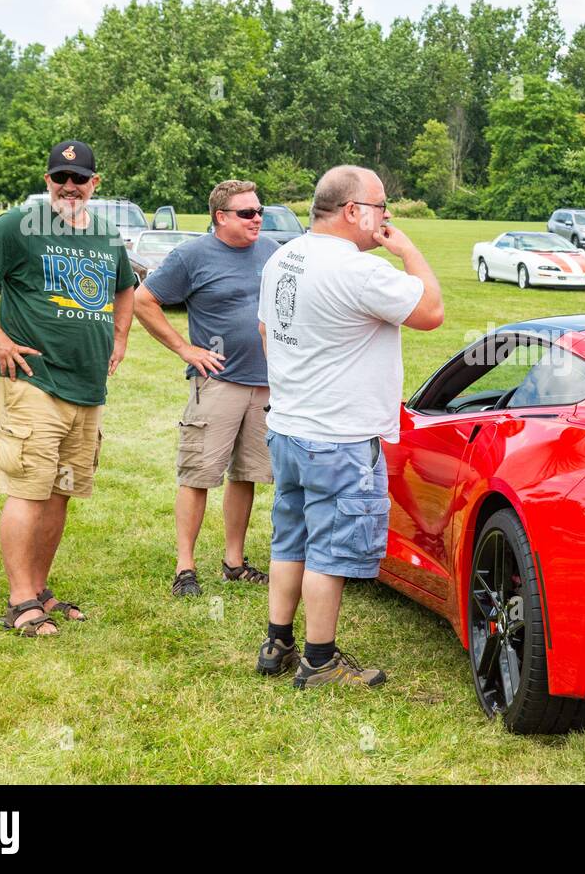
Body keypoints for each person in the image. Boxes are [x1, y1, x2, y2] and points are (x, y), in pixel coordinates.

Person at [255, 165, 443, 687]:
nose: (386, 216)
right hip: (338, 437)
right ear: (354, 211)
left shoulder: (282, 257)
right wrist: (407, 250)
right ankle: (320, 660)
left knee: (290, 538)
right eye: (382, 207)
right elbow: (430, 311)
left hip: (288, 426)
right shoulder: (359, 271)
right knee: (330, 550)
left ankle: (278, 642)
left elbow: (268, 331)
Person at [0, 140, 137, 635]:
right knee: (30, 490)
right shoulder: (20, 225)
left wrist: (119, 336)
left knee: (61, 492)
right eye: (61, 177)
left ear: (96, 184)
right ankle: (19, 602)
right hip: (32, 380)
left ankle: (39, 589)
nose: (69, 187)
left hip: (86, 386)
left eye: (80, 179)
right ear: (47, 180)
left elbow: (125, 286)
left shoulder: (104, 232)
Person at [133, 180, 277, 596]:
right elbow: (145, 300)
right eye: (247, 213)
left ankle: (234, 561)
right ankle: (185, 568)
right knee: (198, 474)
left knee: (247, 473)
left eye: (259, 210)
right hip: (217, 383)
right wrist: (185, 349)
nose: (257, 219)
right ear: (221, 217)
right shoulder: (192, 256)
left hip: (264, 384)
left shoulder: (270, 250)